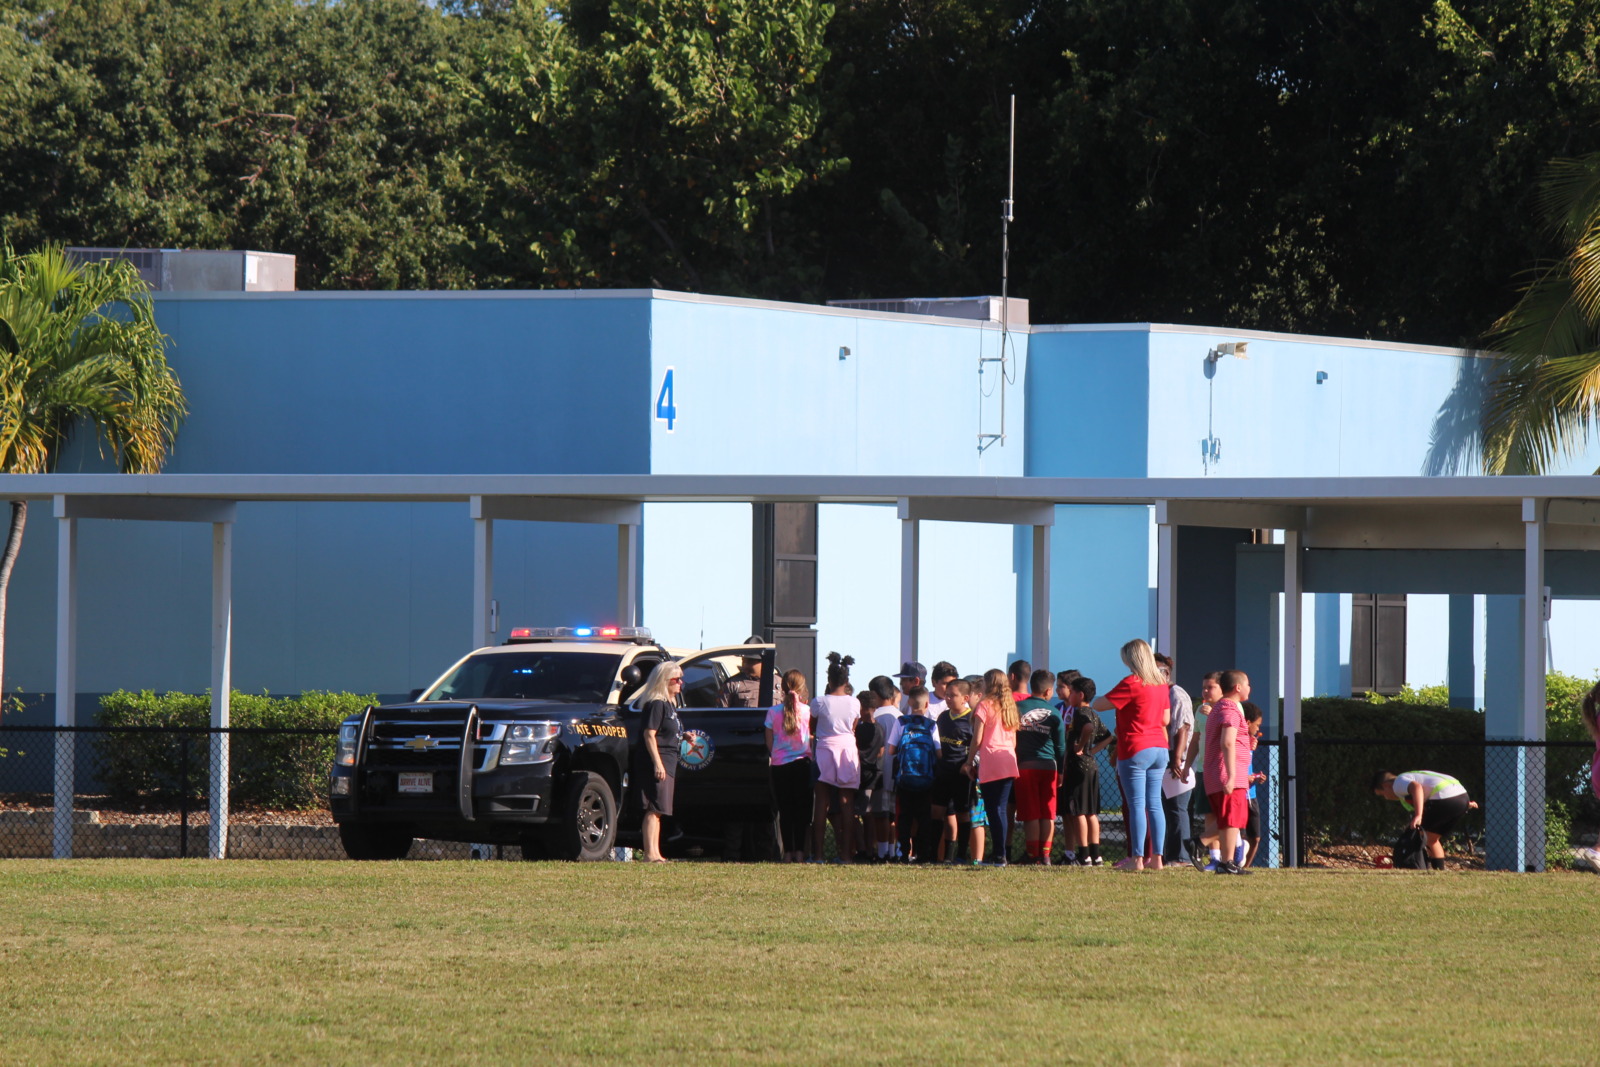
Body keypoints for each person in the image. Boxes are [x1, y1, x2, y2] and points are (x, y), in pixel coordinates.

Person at [1094, 639, 1171, 872]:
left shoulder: (1131, 682)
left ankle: (1137, 859)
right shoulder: (1161, 683)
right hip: (1159, 747)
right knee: (1155, 804)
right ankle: (1157, 859)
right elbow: (1166, 720)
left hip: (1136, 747)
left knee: (1137, 804)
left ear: (1130, 658)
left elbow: (1099, 704)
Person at [1195, 669, 1252, 875]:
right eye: (1247, 684)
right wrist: (1231, 775)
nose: (1249, 688)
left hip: (1221, 773)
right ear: (1238, 687)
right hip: (1227, 774)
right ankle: (1199, 843)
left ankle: (1227, 863)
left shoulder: (1220, 708)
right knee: (1230, 819)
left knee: (1232, 820)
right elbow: (1227, 742)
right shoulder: (1229, 709)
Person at [965, 668, 1020, 866]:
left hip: (991, 760)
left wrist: (969, 761)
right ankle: (1001, 853)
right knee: (1002, 809)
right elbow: (1013, 740)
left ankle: (998, 856)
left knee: (992, 808)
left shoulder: (984, 705)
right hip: (1008, 760)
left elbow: (977, 738)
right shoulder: (1009, 706)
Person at [1371, 769, 1478, 871]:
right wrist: (1460, 803)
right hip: (1461, 797)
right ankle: (1439, 873)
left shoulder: (1398, 783)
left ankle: (1426, 868)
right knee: (1431, 839)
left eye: (1382, 794)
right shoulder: (1409, 779)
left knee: (1423, 835)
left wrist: (1418, 815)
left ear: (1385, 785)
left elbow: (1416, 787)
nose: (1386, 798)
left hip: (1445, 798)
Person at [810, 652, 860, 863]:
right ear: (846, 681)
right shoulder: (854, 703)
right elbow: (853, 728)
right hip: (848, 750)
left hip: (824, 750)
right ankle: (846, 855)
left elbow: (812, 727)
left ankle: (819, 855)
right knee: (847, 803)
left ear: (828, 680)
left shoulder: (819, 702)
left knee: (822, 803)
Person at [633, 660, 684, 863]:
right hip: (658, 762)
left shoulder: (670, 706)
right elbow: (649, 735)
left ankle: (656, 852)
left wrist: (685, 735)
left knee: (660, 810)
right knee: (654, 808)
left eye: (681, 679)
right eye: (676, 679)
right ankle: (650, 853)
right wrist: (657, 763)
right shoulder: (656, 704)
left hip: (669, 760)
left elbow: (667, 732)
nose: (681, 683)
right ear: (664, 681)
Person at [1015, 668, 1066, 864]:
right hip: (1049, 767)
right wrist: (1060, 770)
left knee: (1031, 814)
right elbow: (1060, 745)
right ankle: (1045, 855)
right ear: (1047, 691)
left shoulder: (1018, 708)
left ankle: (1031, 854)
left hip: (1025, 766)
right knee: (1047, 813)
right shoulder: (1054, 712)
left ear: (1031, 686)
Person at [764, 668, 813, 862]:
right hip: (802, 764)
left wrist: (777, 754)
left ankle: (788, 852)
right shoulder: (808, 712)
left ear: (782, 688)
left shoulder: (773, 712)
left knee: (785, 810)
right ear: (802, 688)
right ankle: (801, 852)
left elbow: (769, 741)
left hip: (780, 765)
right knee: (802, 810)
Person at [1061, 676, 1110, 865]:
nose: (1069, 695)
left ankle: (1083, 854)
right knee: (1091, 812)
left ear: (1080, 695)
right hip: (1091, 766)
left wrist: (1081, 747)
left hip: (1078, 767)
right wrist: (1092, 751)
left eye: (1072, 692)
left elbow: (1088, 728)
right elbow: (1107, 737)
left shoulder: (1081, 713)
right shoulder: (1094, 713)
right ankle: (1096, 854)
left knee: (1078, 811)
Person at [887, 685, 939, 862]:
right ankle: (923, 853)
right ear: (927, 705)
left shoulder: (901, 722)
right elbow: (938, 753)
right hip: (926, 779)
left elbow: (891, 750)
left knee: (905, 816)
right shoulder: (932, 725)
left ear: (909, 702)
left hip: (905, 779)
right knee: (924, 816)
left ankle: (903, 853)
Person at [1155, 653, 1196, 866]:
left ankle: (1181, 856)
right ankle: (1170, 853)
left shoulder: (1176, 694)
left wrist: (1177, 759)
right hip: (1166, 755)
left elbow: (1183, 726)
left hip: (1176, 757)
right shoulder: (1160, 694)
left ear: (1166, 673)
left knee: (1177, 808)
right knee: (1166, 808)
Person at [931, 678, 977, 863]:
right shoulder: (943, 717)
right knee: (937, 812)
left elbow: (976, 747)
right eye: (947, 695)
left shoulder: (971, 719)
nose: (948, 698)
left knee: (962, 814)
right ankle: (934, 855)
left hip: (961, 775)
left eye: (953, 695)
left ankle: (960, 855)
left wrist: (968, 766)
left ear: (965, 697)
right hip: (942, 773)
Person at [1184, 671, 1222, 865]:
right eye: (1204, 687)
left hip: (1222, 771)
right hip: (1203, 770)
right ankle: (1214, 858)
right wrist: (1186, 766)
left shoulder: (1231, 708)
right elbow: (1195, 740)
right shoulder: (1200, 710)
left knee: (1228, 816)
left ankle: (1234, 853)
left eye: (1211, 687)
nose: (1206, 691)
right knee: (1209, 813)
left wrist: (1215, 714)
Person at [866, 675, 902, 859]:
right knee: (893, 815)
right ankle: (892, 849)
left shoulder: (876, 716)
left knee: (880, 814)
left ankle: (881, 853)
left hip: (879, 772)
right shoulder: (901, 716)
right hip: (898, 773)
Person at [1240, 701, 1268, 869]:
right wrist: (1246, 778)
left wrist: (1256, 777)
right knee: (1239, 836)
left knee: (1255, 837)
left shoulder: (1250, 742)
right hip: (1240, 794)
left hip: (1252, 795)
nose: (1258, 730)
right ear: (1248, 723)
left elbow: (1247, 765)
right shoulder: (1238, 741)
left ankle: (1246, 868)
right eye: (1257, 725)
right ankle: (1232, 864)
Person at [725, 639, 771, 707]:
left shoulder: (778, 683)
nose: (745, 665)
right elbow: (719, 714)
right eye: (743, 660)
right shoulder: (732, 684)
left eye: (750, 661)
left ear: (762, 662)